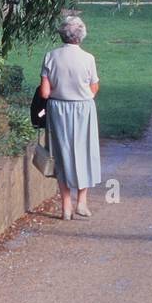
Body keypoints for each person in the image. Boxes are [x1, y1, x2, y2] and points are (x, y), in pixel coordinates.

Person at [39, 15, 102, 220]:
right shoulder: (88, 58)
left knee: (62, 154)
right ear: (81, 36)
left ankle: (65, 205)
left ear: (62, 34)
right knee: (84, 152)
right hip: (83, 109)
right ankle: (81, 203)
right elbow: (94, 87)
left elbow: (45, 93)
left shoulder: (50, 56)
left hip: (58, 109)